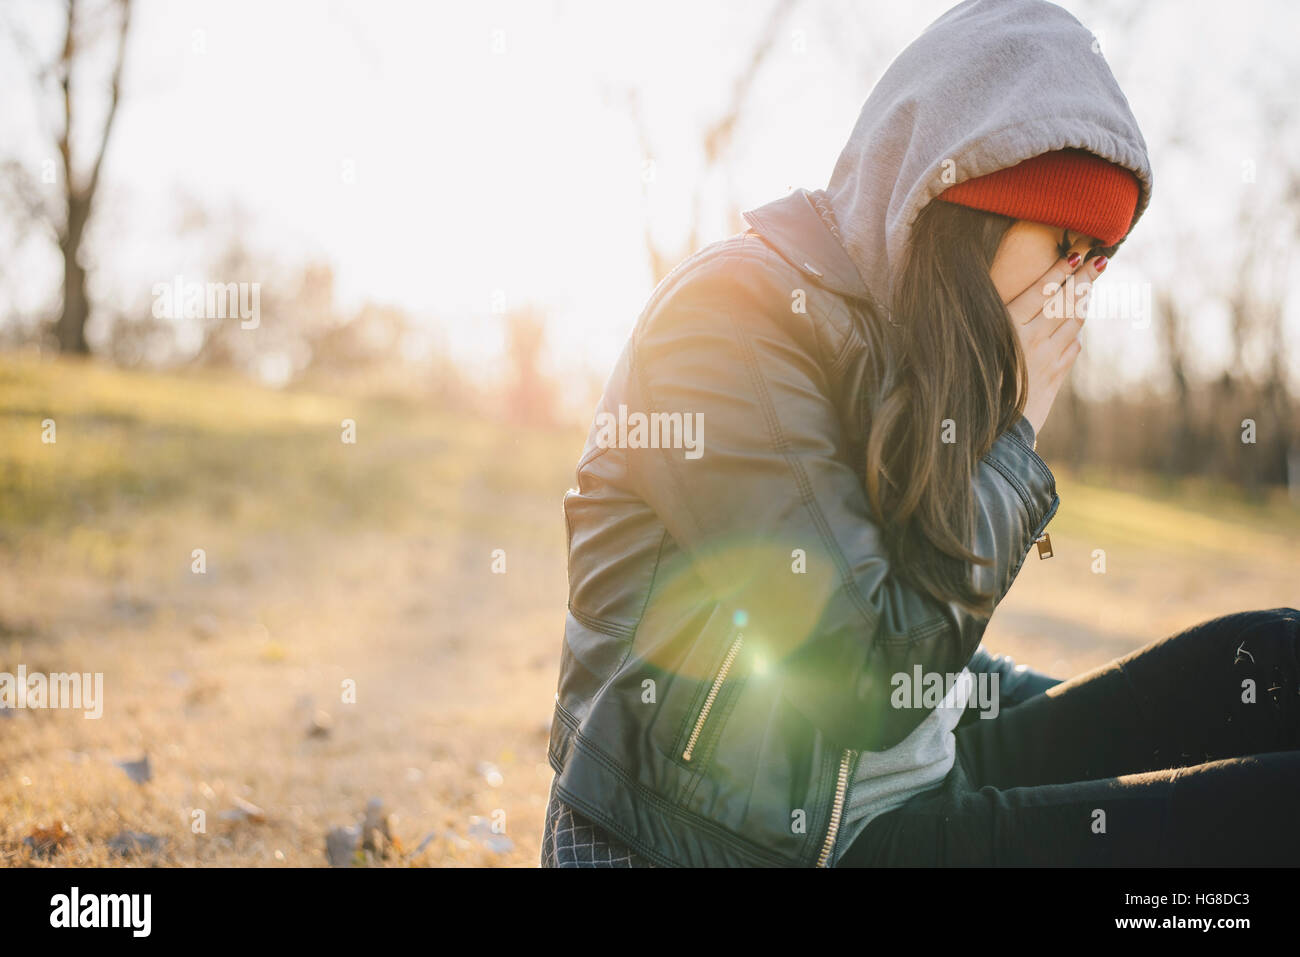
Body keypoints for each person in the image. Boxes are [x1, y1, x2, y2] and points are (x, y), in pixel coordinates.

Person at [540, 0, 1300, 867]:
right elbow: (863, 673)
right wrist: (1012, 444)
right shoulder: (726, 322)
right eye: (1068, 242)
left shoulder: (915, 352)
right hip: (735, 842)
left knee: (1268, 661)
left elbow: (919, 640)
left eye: (1101, 257)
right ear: (967, 209)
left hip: (892, 784)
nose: (1080, 288)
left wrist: (1111, 718)